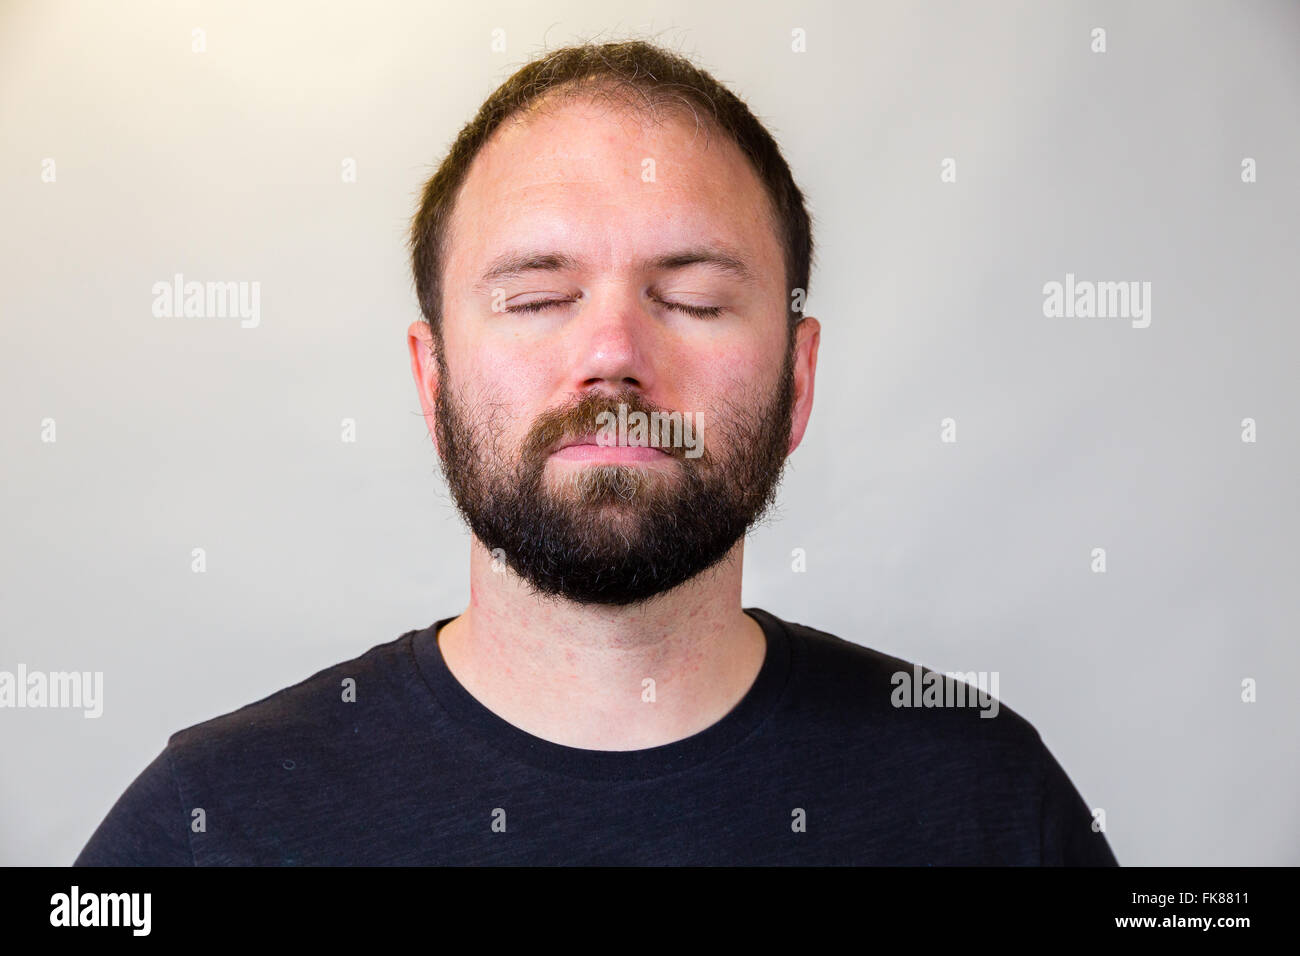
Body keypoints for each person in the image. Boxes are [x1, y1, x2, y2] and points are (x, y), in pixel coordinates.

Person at [75, 39, 1118, 866]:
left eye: (693, 299)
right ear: (431, 379)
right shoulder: (210, 824)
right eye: (537, 298)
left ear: (797, 380)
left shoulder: (985, 798)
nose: (613, 356)